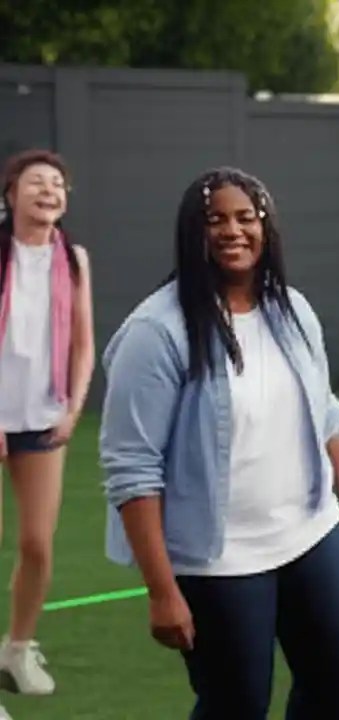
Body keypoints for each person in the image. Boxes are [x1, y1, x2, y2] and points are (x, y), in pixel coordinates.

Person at [98, 167, 339, 720]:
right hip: (218, 561)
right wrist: (162, 591)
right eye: (215, 220)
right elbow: (132, 469)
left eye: (245, 217)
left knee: (333, 690)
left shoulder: (291, 310)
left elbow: (325, 415)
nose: (233, 230)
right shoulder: (157, 331)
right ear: (193, 232)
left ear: (265, 227)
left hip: (311, 536)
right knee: (237, 705)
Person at [0, 149, 94, 706]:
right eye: (36, 182)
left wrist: (72, 409)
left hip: (42, 418)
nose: (49, 191)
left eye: (57, 183)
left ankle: (17, 648)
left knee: (37, 543)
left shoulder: (73, 259)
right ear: (10, 194)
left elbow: (83, 343)